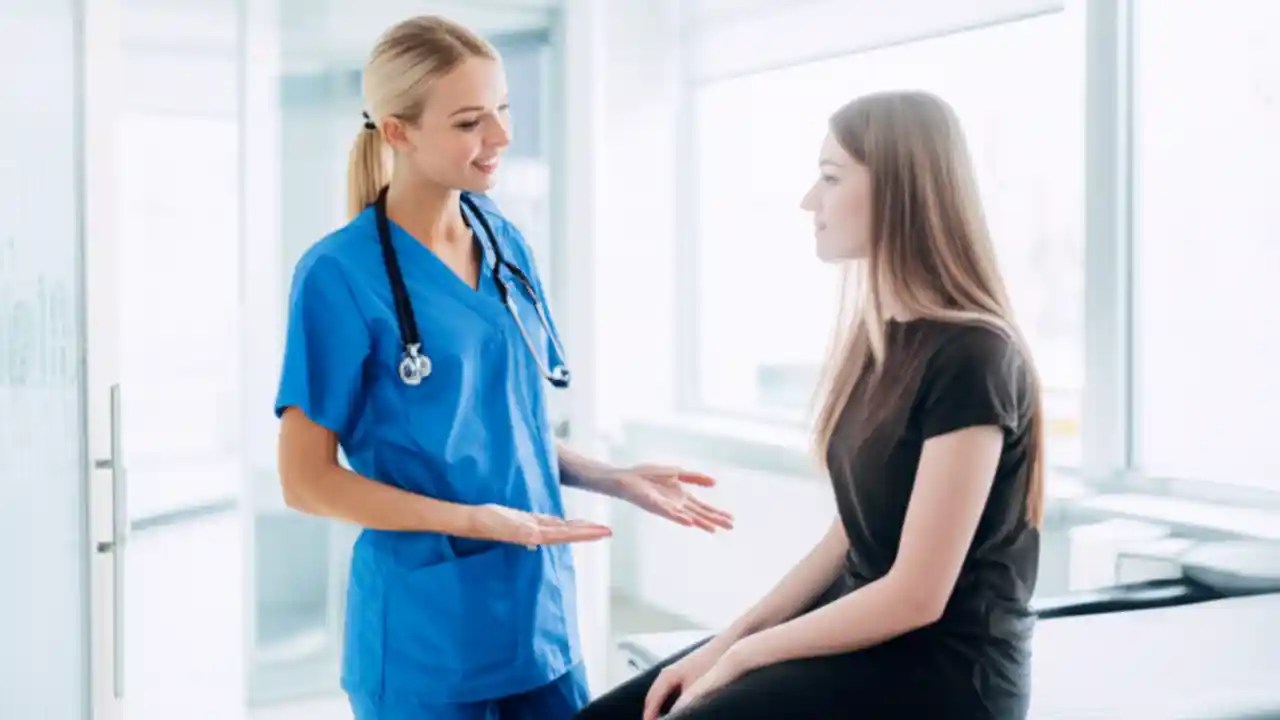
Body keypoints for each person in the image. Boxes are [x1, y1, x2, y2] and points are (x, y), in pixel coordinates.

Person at [273, 15, 734, 720]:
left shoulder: (503, 241)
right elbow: (306, 481)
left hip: (536, 619)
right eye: (469, 122)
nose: (501, 137)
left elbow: (497, 429)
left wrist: (612, 477)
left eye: (503, 109)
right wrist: (473, 520)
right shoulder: (338, 275)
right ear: (397, 131)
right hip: (428, 638)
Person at [577, 90, 1045, 720]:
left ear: (900, 191)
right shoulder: (879, 344)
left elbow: (916, 596)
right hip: (869, 640)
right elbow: (850, 536)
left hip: (943, 673)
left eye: (830, 177)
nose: (809, 202)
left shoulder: (975, 356)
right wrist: (727, 642)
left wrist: (744, 658)